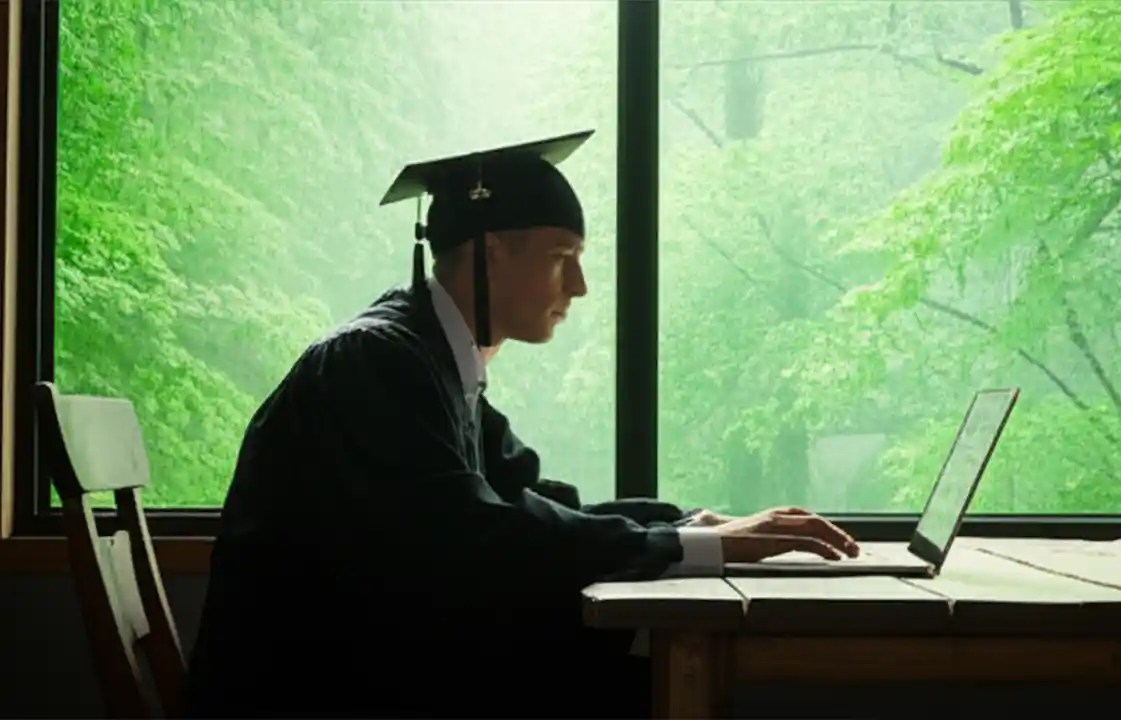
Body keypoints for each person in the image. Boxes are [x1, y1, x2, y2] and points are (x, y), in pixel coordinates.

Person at [183, 130, 858, 719]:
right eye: (562, 256)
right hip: (314, 698)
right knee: (651, 692)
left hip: (371, 674)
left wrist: (689, 526)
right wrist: (690, 549)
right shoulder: (375, 365)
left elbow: (537, 504)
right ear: (489, 251)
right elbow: (484, 537)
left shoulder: (432, 365)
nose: (581, 287)